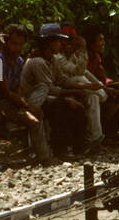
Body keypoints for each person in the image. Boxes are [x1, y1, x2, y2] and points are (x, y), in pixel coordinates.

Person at [19, 24, 95, 158]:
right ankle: (61, 148)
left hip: (47, 96)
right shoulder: (37, 62)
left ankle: (80, 146)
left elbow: (62, 80)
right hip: (34, 100)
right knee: (59, 106)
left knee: (77, 103)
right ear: (49, 43)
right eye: (58, 41)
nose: (61, 44)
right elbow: (49, 88)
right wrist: (68, 97)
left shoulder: (52, 59)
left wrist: (86, 87)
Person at [0, 24, 49, 159]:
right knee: (35, 121)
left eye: (21, 44)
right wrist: (28, 107)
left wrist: (26, 104)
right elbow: (5, 92)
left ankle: (40, 153)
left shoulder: (20, 61)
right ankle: (44, 158)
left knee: (43, 88)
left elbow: (17, 88)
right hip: (0, 103)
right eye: (14, 44)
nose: (18, 48)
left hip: (14, 102)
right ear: (6, 42)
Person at [81, 24, 119, 142]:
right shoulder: (82, 57)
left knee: (117, 91)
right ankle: (104, 134)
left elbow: (101, 76)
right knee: (103, 96)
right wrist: (105, 87)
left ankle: (114, 132)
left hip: (97, 85)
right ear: (91, 43)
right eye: (100, 40)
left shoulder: (96, 57)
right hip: (85, 87)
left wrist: (110, 83)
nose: (103, 43)